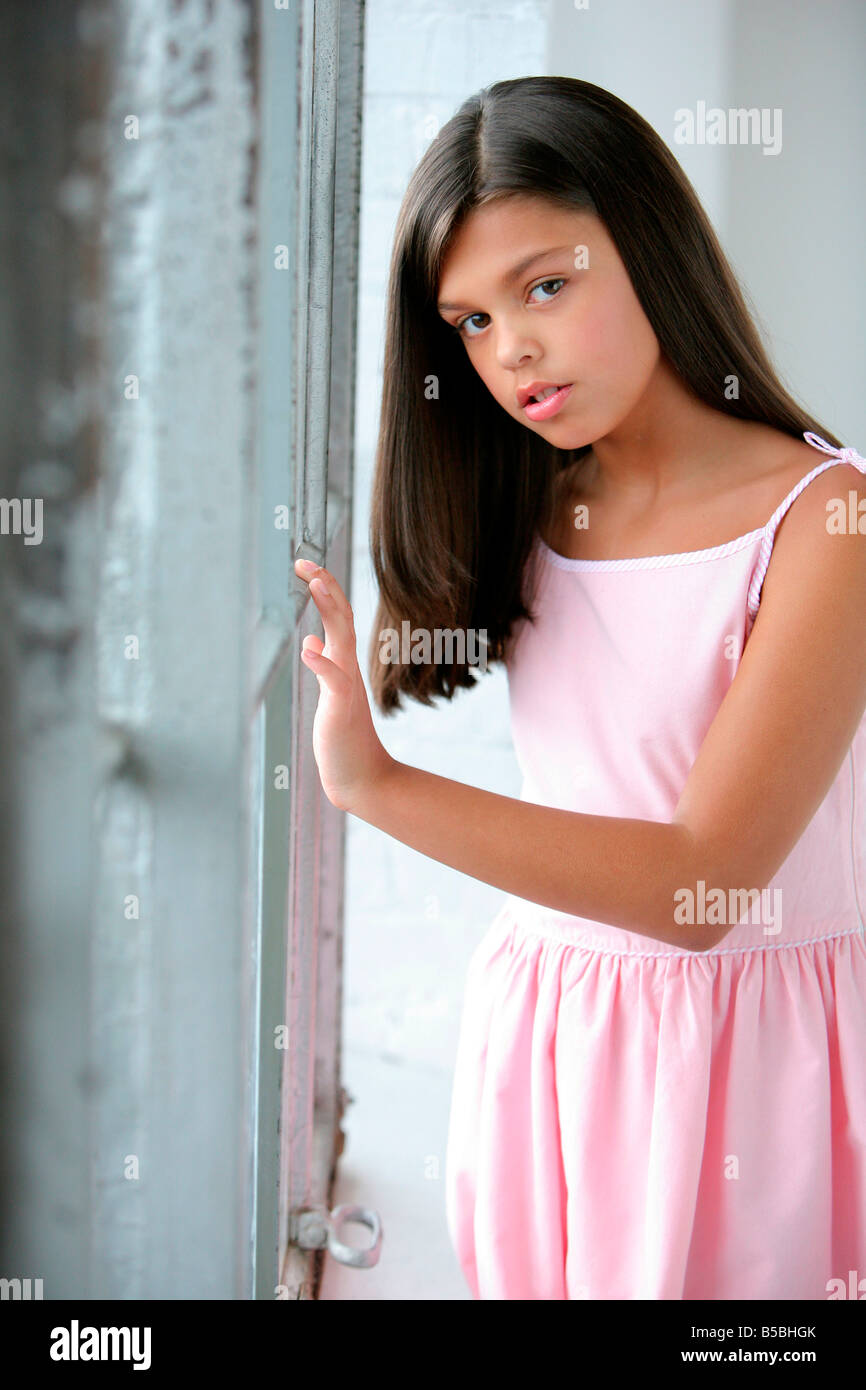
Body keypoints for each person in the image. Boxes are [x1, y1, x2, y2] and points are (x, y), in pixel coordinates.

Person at [293, 76, 866, 1300]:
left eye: (545, 285)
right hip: (552, 1042)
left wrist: (373, 786)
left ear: (647, 245)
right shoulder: (529, 507)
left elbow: (696, 885)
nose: (513, 353)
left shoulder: (823, 521)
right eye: (470, 324)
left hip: (751, 1074)